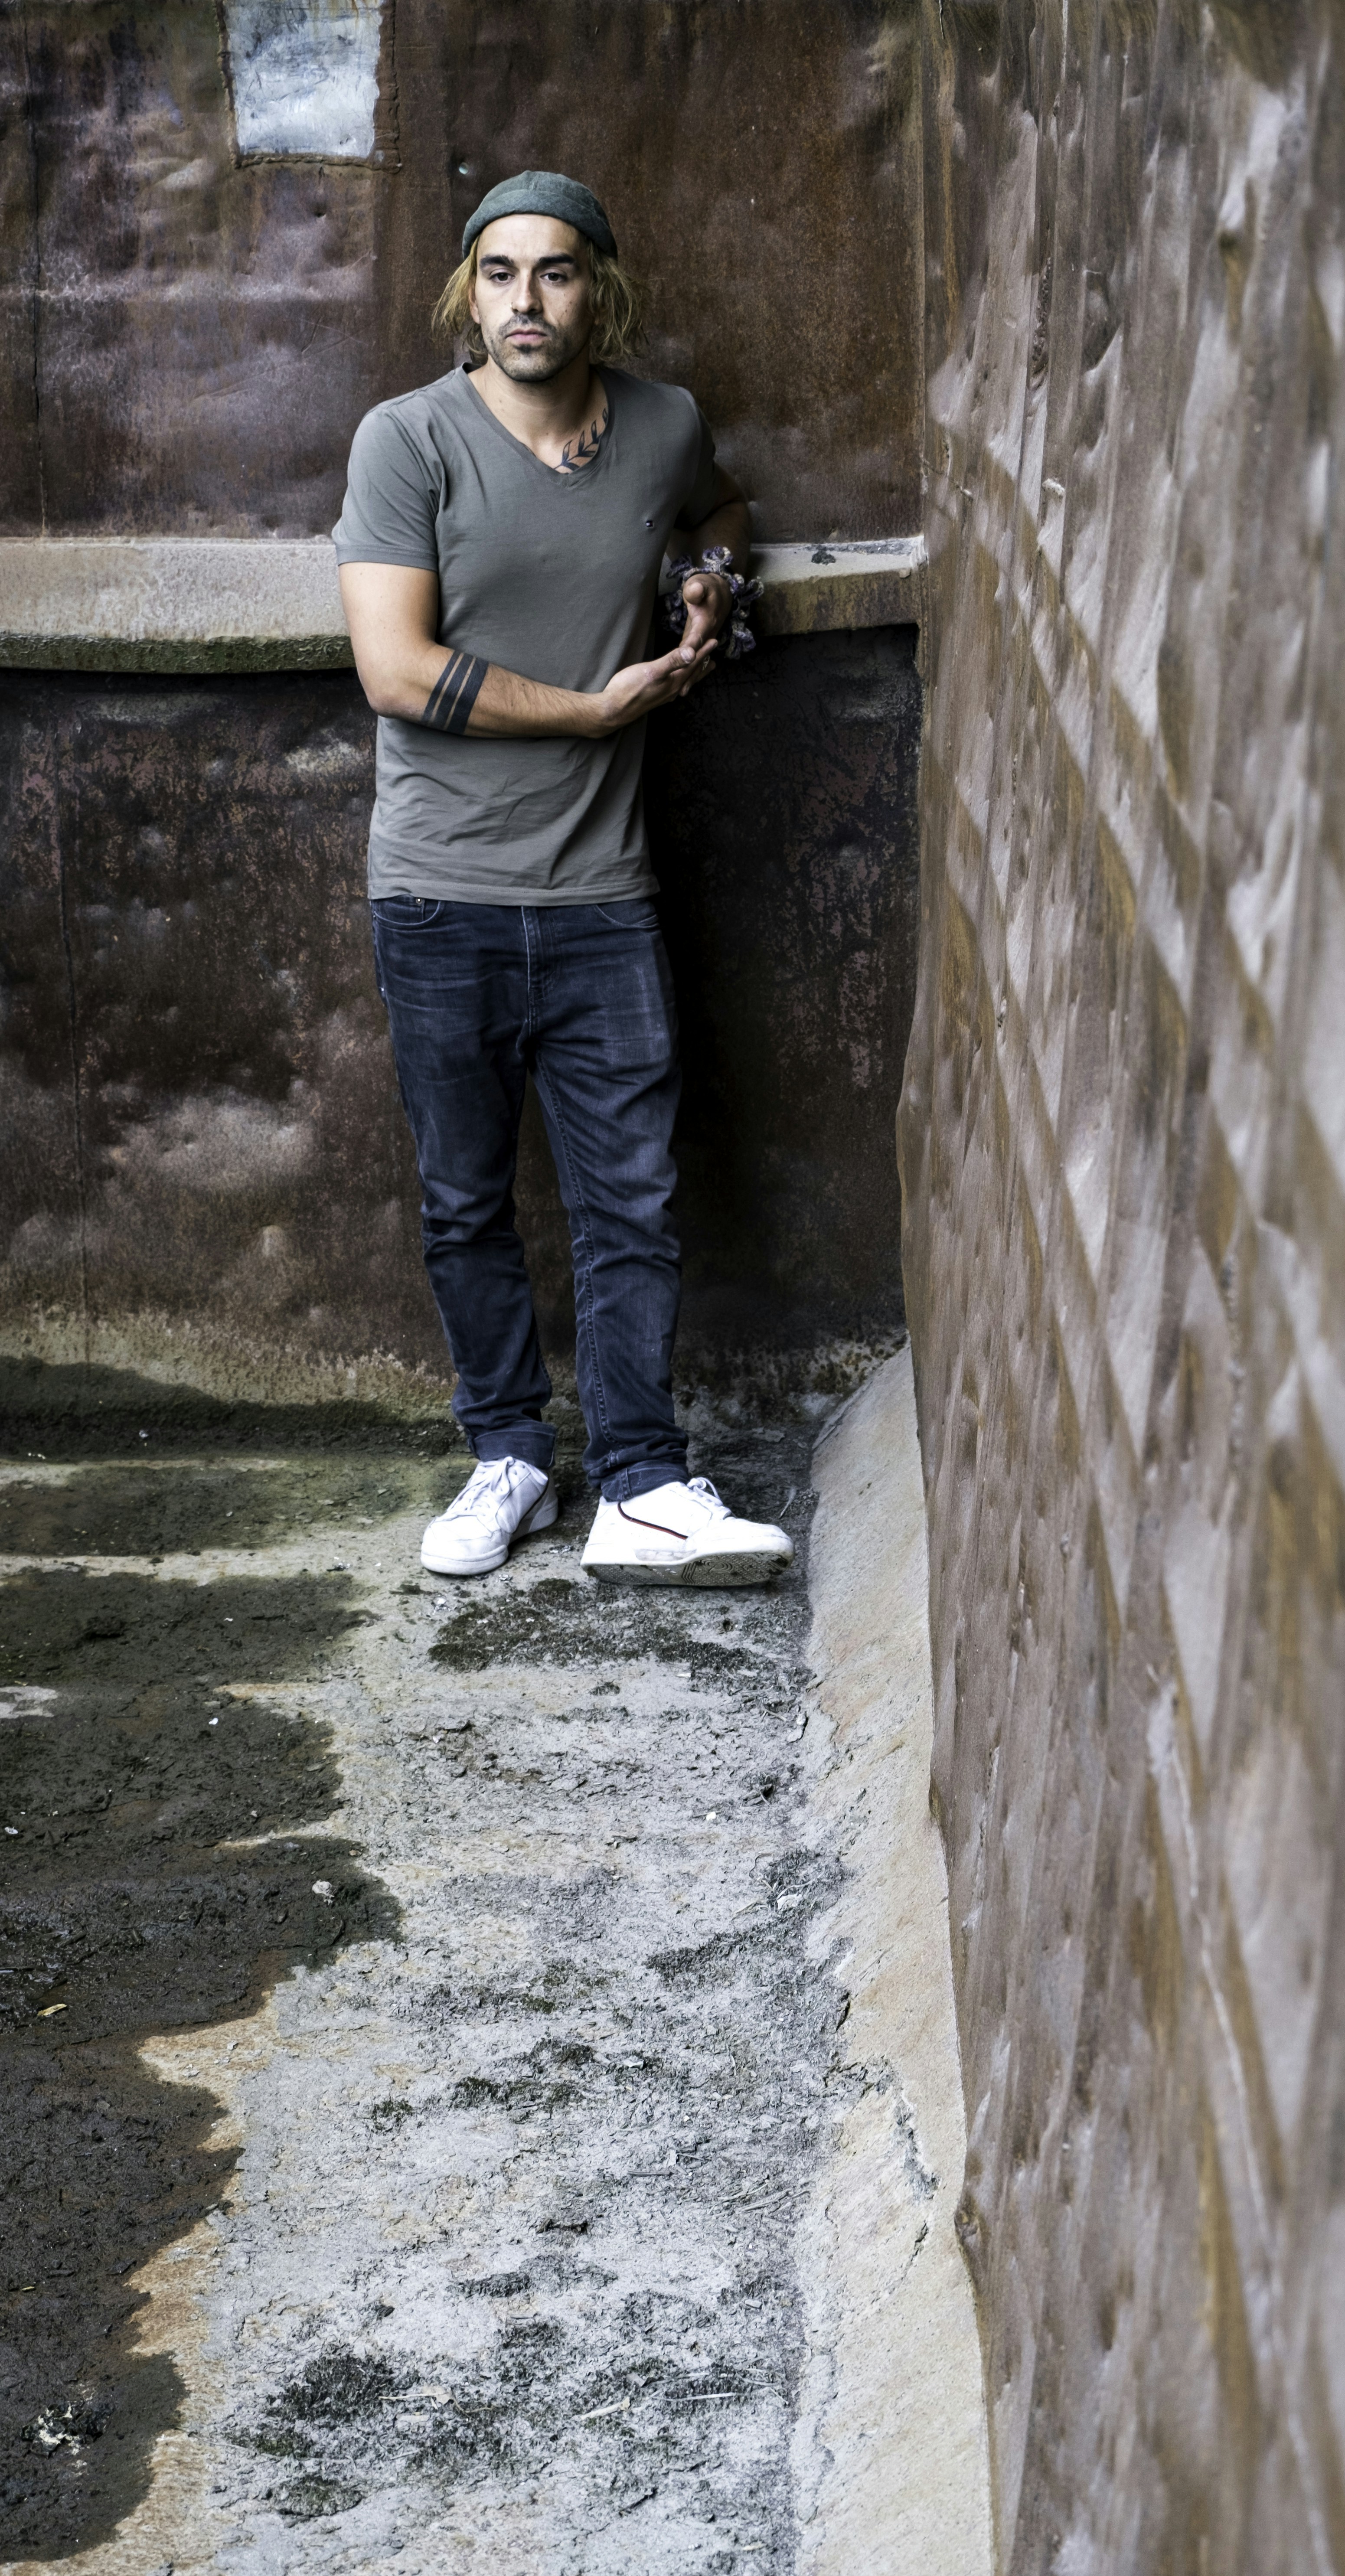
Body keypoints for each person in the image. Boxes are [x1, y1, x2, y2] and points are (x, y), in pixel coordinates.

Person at [333, 170, 793, 1589]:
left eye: (557, 275)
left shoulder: (659, 425)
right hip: (439, 895)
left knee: (631, 1201)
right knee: (465, 1198)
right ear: (467, 295)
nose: (527, 303)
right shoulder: (408, 441)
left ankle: (645, 1486)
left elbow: (717, 511)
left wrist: (710, 586)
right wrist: (593, 712)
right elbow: (395, 671)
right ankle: (511, 1461)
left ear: (603, 288)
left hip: (603, 895)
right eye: (500, 276)